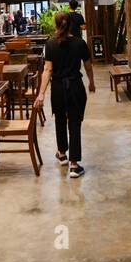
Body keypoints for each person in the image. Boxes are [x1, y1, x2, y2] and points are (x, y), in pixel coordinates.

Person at [35, 11, 96, 178]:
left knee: (60, 120)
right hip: (75, 86)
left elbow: (47, 70)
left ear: (56, 25)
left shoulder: (50, 44)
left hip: (58, 88)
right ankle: (74, 166)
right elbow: (88, 66)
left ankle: (62, 154)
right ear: (71, 25)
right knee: (74, 123)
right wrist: (91, 82)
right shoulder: (80, 43)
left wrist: (41, 94)